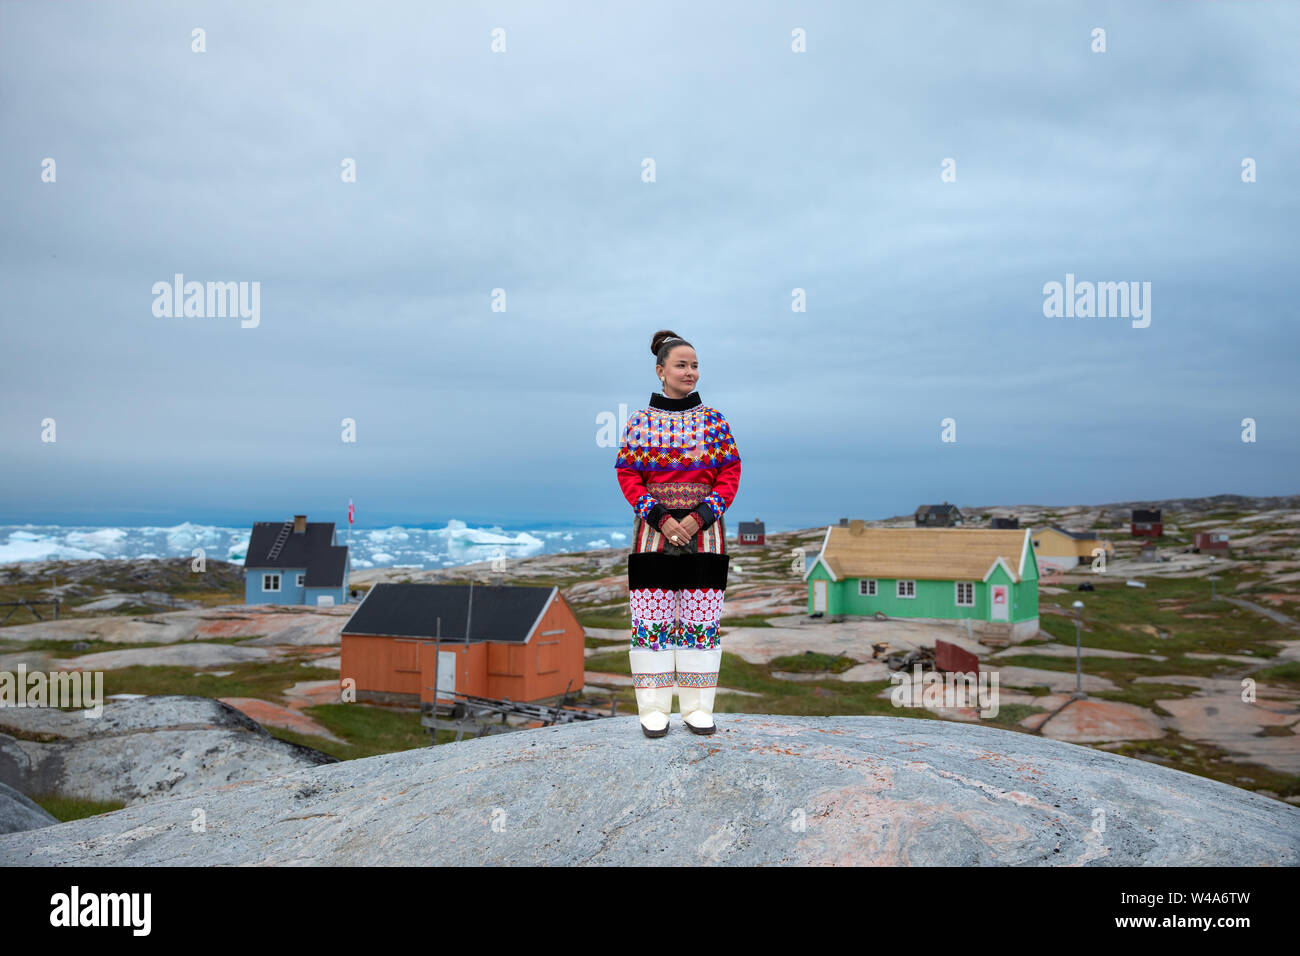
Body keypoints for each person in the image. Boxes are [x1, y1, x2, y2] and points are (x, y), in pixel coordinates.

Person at [614, 330, 741, 737]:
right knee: (651, 623)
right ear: (660, 371)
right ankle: (653, 709)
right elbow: (628, 473)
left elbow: (730, 473)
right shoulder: (640, 422)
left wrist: (700, 516)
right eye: (681, 365)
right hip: (652, 538)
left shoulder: (715, 420)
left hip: (706, 536)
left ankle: (697, 708)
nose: (690, 372)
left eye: (695, 365)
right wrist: (661, 518)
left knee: (701, 623)